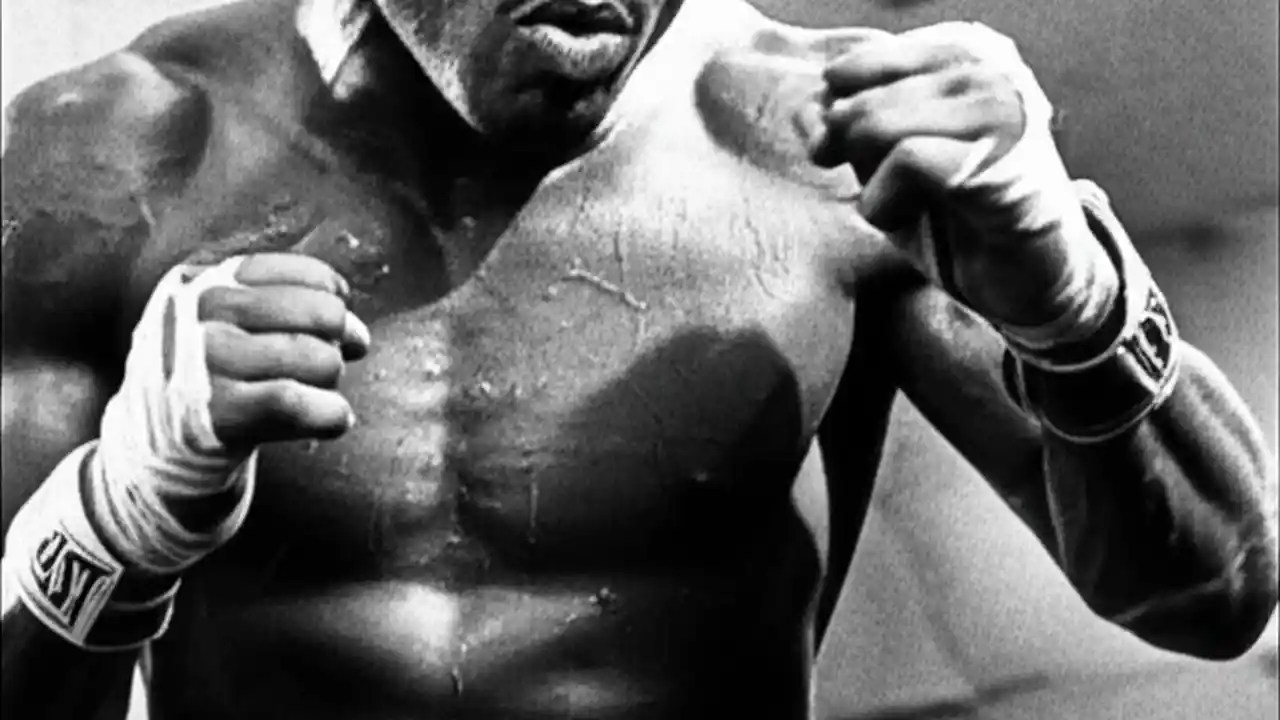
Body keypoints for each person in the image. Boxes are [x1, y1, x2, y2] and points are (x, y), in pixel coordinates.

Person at [2, 0, 1276, 717]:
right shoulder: (112, 159)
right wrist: (114, 521)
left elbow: (1212, 597)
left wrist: (1082, 307)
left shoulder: (817, 148)